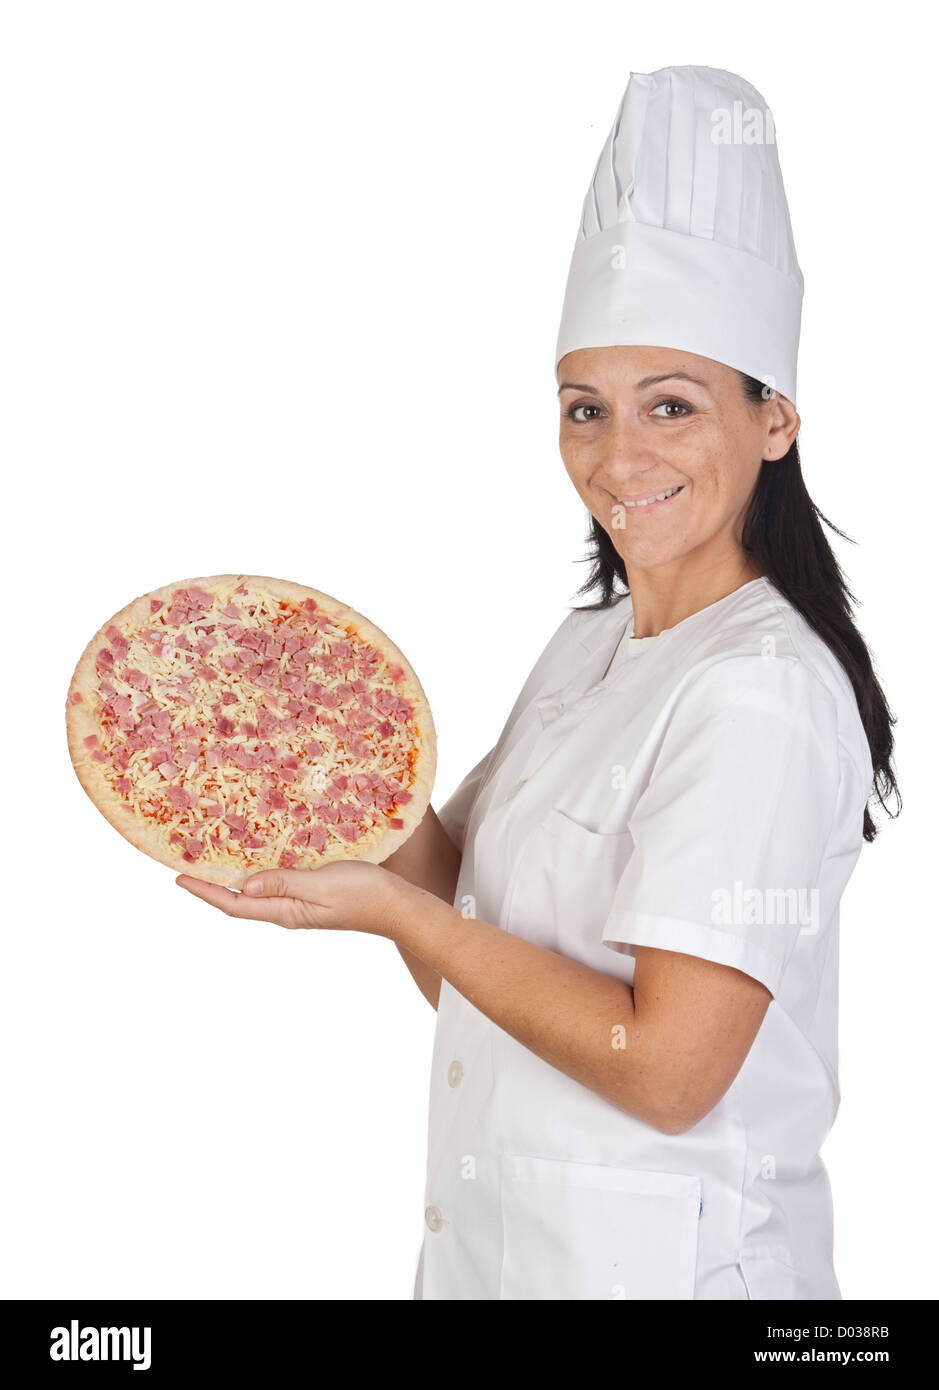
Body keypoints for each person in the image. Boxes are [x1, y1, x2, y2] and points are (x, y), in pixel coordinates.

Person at [177, 65, 899, 1300]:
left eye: (672, 405)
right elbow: (472, 953)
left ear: (775, 419)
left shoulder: (764, 692)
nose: (620, 459)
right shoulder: (592, 639)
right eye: (585, 408)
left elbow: (671, 1071)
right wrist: (345, 757)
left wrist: (400, 911)